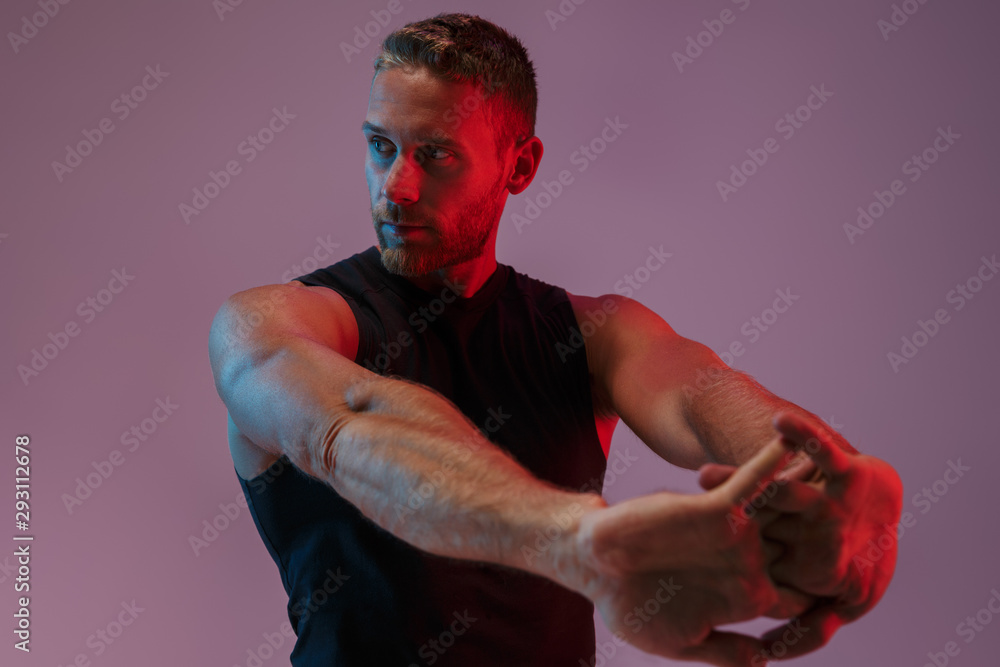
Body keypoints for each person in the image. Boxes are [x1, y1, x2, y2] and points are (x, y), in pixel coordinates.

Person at [208, 12, 903, 667]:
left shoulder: (595, 335)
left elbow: (702, 397)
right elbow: (353, 426)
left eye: (437, 154)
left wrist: (829, 494)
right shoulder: (274, 325)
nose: (399, 185)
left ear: (520, 166)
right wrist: (576, 542)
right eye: (381, 147)